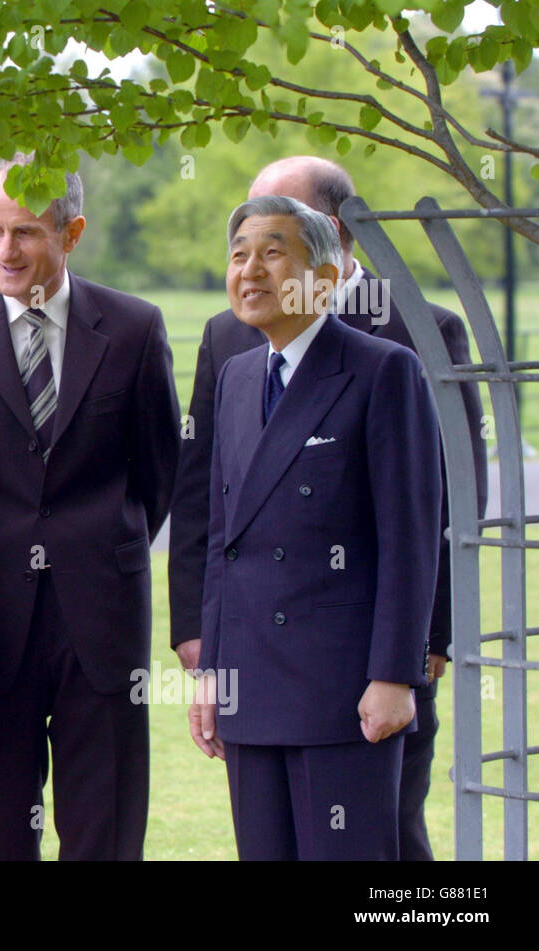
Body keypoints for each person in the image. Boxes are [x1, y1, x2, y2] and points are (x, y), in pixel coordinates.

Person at [167, 156, 488, 860]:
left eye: (272, 253)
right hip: (253, 684)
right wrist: (214, 670)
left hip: (345, 687)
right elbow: (223, 532)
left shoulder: (385, 368)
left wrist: (399, 671)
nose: (249, 271)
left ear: (328, 271)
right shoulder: (237, 371)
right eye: (238, 255)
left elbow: (413, 533)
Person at [0, 156, 180, 860]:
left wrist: (100, 549)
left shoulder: (135, 327)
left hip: (105, 624)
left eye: (25, 232)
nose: (4, 250)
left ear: (72, 232)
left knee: (107, 831)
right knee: (0, 833)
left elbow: (159, 476)